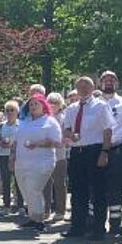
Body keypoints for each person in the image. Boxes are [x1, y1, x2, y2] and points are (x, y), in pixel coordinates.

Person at [61, 76, 115, 241]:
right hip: (78, 151)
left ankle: (99, 228)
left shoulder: (100, 106)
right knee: (78, 191)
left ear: (92, 89)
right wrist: (71, 135)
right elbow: (66, 129)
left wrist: (105, 151)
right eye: (80, 87)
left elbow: (108, 130)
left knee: (98, 191)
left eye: (86, 86)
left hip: (95, 150)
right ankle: (77, 226)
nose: (83, 89)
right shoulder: (72, 108)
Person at [12, 95, 62, 231]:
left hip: (42, 162)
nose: (33, 107)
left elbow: (57, 143)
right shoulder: (24, 121)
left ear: (43, 105)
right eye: (31, 104)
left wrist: (38, 144)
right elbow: (16, 141)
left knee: (34, 188)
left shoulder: (50, 121)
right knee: (25, 189)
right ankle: (33, 217)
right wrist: (12, 157)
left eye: (36, 104)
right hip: (22, 162)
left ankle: (39, 219)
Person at [99, 70, 122, 236]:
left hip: (117, 149)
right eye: (105, 80)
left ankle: (115, 224)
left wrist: (111, 141)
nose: (108, 82)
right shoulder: (95, 104)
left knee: (115, 188)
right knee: (96, 187)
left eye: (112, 80)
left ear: (117, 84)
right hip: (97, 150)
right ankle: (96, 222)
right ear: (100, 83)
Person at [43, 92, 68, 223]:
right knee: (45, 183)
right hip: (45, 155)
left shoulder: (63, 118)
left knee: (59, 184)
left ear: (60, 105)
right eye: (50, 102)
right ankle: (45, 209)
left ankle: (60, 210)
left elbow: (64, 136)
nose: (52, 105)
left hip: (59, 155)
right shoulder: (44, 118)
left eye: (55, 103)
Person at [0, 101, 21, 214]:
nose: (10, 112)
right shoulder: (1, 125)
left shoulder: (21, 124)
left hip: (17, 155)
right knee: (5, 180)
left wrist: (12, 145)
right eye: (7, 110)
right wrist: (4, 143)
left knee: (18, 181)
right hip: (3, 155)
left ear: (17, 111)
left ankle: (20, 206)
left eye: (12, 110)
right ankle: (6, 205)